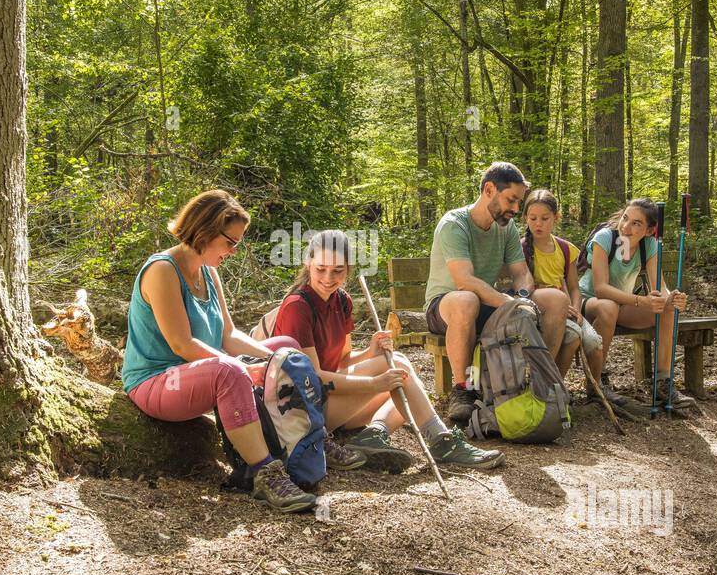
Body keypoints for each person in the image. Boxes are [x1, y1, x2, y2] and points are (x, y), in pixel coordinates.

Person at [122, 190, 316, 513]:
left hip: (204, 371)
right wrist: (240, 367)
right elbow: (181, 344)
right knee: (231, 372)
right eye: (231, 243)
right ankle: (265, 474)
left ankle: (304, 441)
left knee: (288, 347)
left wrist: (272, 360)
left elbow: (228, 334)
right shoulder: (162, 271)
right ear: (207, 230)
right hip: (155, 380)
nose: (234, 251)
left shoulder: (209, 272)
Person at [270, 231, 503, 470]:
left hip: (325, 402)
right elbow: (313, 378)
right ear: (308, 264)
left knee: (402, 372)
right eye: (321, 269)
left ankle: (373, 434)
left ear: (348, 269)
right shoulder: (298, 307)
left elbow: (341, 362)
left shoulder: (341, 300)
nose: (328, 278)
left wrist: (371, 352)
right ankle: (442, 442)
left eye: (338, 270)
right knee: (398, 370)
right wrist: (375, 384)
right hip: (300, 412)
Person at [424, 161, 534, 424]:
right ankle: (463, 389)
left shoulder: (506, 228)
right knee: (467, 300)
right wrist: (509, 304)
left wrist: (523, 296)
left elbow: (521, 273)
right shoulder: (454, 223)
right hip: (446, 306)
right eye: (511, 200)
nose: (516, 209)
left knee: (553, 300)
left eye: (519, 202)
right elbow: (464, 281)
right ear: (488, 190)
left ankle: (541, 385)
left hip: (486, 303)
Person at [577, 198, 694, 414]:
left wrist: (672, 299)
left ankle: (662, 383)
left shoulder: (649, 245)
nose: (626, 227)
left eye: (636, 223)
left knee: (667, 309)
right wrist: (641, 300)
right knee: (608, 306)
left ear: (650, 231)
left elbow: (659, 286)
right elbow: (601, 288)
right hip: (588, 302)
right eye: (625, 218)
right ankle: (596, 383)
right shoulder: (605, 239)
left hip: (621, 304)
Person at [520, 188, 602, 378]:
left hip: (567, 308)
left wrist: (576, 310)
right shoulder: (521, 247)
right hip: (538, 309)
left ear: (556, 218)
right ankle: (552, 384)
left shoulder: (566, 249)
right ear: (525, 218)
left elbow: (574, 287)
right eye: (533, 218)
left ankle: (592, 391)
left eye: (544, 218)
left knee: (594, 343)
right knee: (572, 336)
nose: (538, 224)